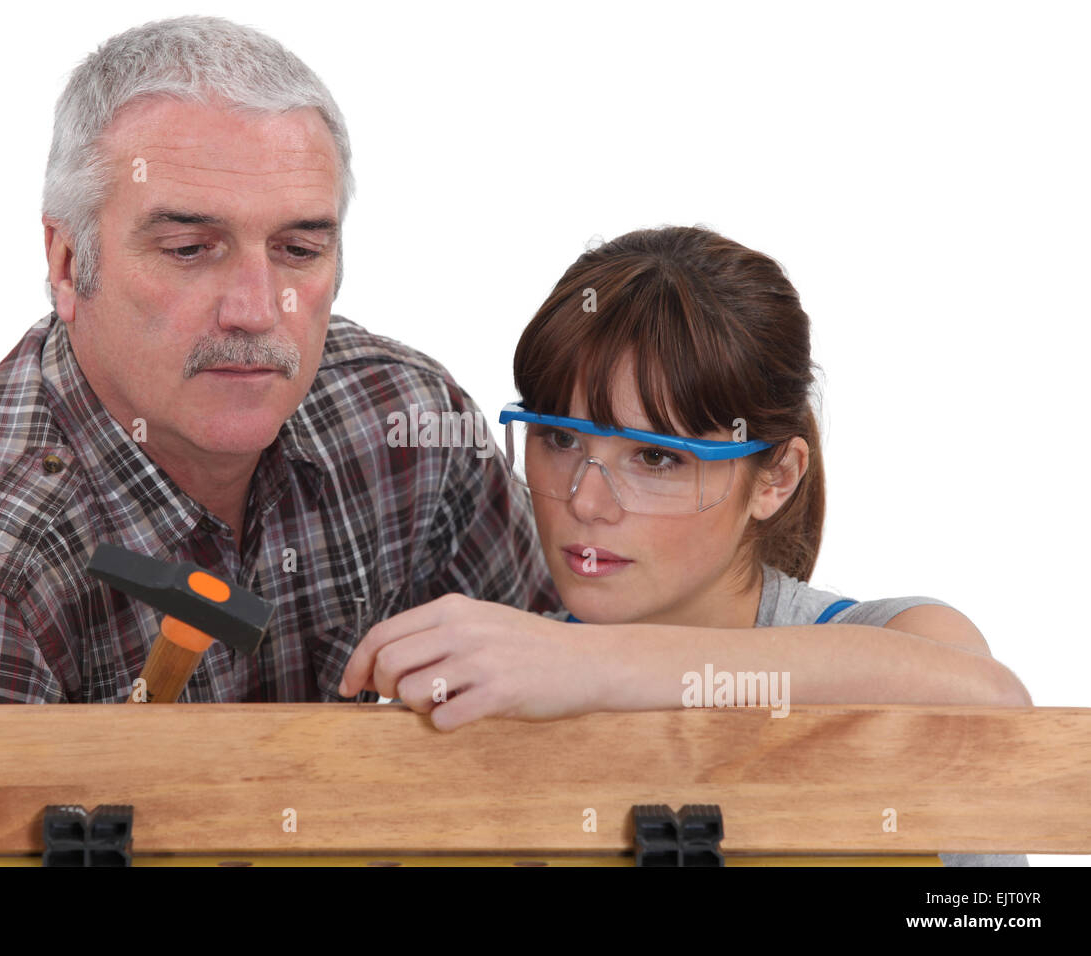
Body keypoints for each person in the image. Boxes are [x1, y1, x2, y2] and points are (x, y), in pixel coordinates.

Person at [0, 15, 557, 706]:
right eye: (191, 250)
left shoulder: (409, 428)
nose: (257, 311)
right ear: (66, 263)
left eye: (298, 250)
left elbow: (565, 716)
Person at [339, 225, 1031, 866]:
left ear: (776, 479)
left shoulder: (890, 639)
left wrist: (594, 666)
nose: (585, 501)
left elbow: (995, 709)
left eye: (657, 458)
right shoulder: (495, 681)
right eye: (559, 438)